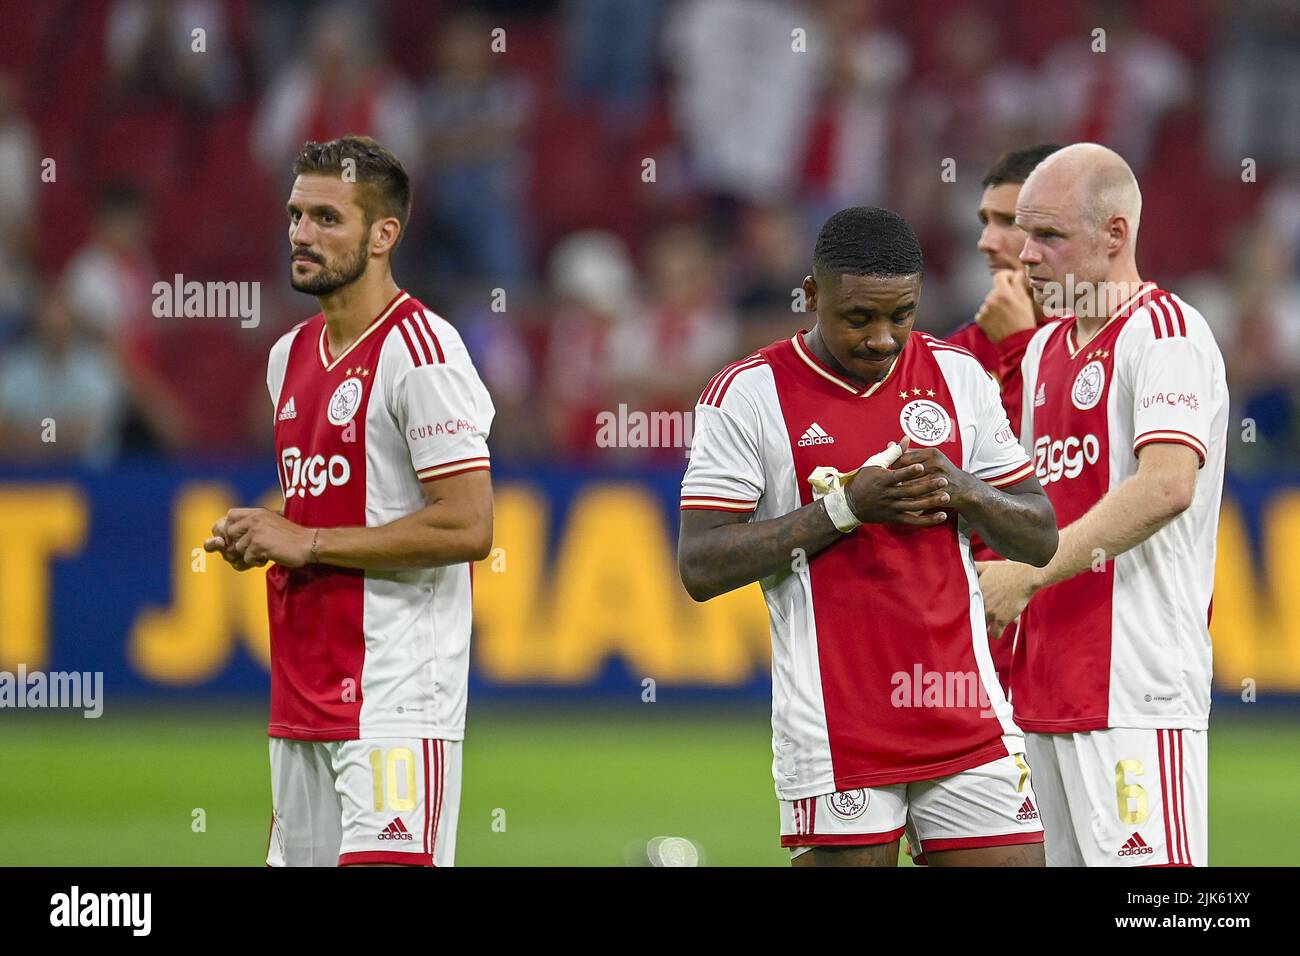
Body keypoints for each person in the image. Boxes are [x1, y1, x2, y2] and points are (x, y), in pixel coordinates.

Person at [678, 206, 1058, 867]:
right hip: (835, 731)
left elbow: (1041, 535)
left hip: (965, 714)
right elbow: (702, 565)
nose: (883, 337)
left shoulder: (957, 377)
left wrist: (962, 487)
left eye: (901, 314)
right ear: (812, 296)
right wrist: (843, 509)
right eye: (859, 318)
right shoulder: (747, 395)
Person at [203, 136, 495, 867]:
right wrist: (266, 529)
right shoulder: (289, 355)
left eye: (328, 218)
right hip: (300, 700)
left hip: (396, 702)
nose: (302, 233)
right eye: (297, 215)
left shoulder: (423, 351)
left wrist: (306, 542)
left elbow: (469, 522)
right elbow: (333, 501)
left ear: (383, 234)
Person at [978, 143, 1228, 867]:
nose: (1026, 255)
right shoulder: (1046, 349)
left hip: (1136, 690)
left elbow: (1166, 484)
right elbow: (1025, 502)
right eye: (1024, 233)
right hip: (1045, 686)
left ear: (1115, 234)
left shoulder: (1167, 335)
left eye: (1049, 235)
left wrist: (1029, 574)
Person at [948, 143, 1060, 692]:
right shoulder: (958, 356)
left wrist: (1020, 346)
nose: (986, 243)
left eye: (1008, 223)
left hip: (1071, 642)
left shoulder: (1115, 344)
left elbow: (1067, 475)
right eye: (984, 221)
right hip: (973, 654)